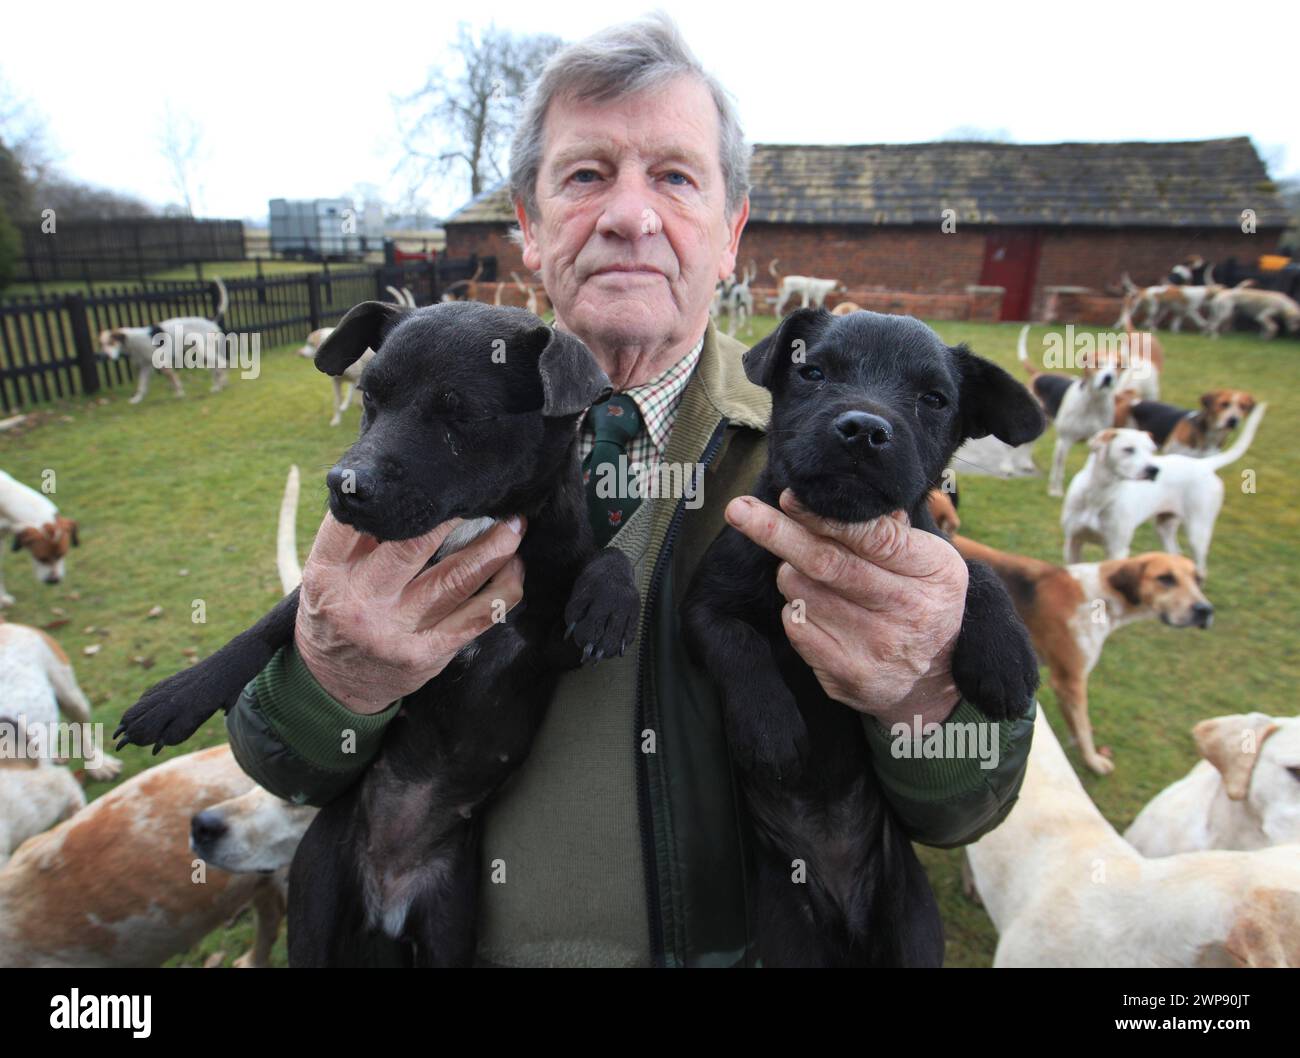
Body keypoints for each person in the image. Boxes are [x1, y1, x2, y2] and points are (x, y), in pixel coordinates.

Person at [227, 13, 1034, 967]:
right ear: (527, 226)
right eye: (585, 175)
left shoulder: (823, 468)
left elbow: (964, 812)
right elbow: (284, 762)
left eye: (677, 178)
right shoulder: (420, 453)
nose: (629, 216)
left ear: (731, 233)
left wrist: (924, 698)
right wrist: (333, 684)